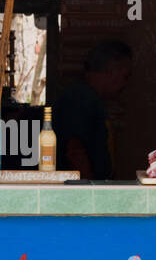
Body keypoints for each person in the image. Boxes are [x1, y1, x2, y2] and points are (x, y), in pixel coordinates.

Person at [52, 40, 133, 180]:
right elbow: (75, 151)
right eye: (125, 76)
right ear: (111, 70)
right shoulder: (80, 98)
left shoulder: (91, 98)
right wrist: (91, 191)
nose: (125, 84)